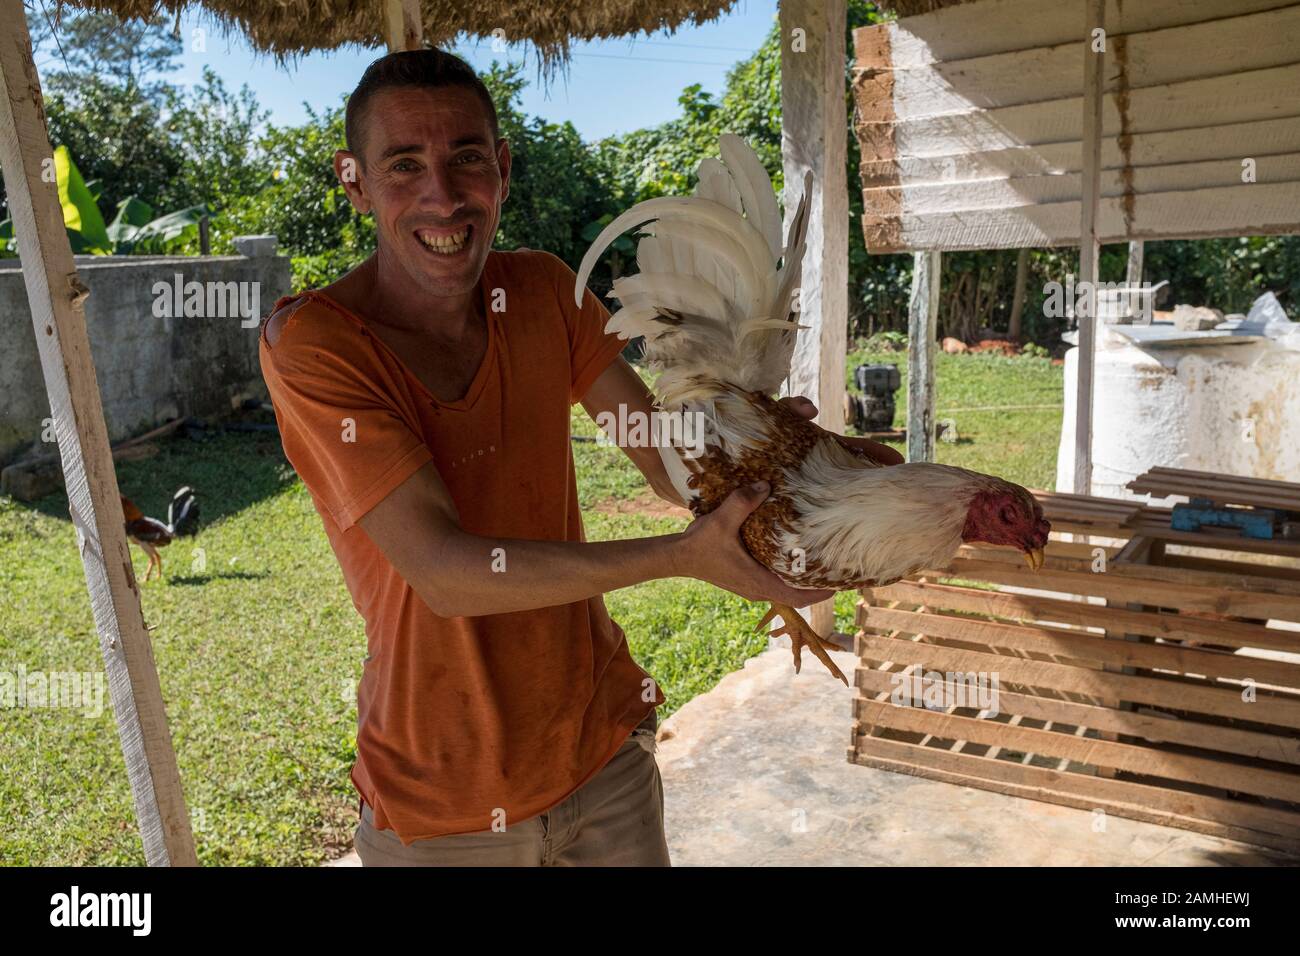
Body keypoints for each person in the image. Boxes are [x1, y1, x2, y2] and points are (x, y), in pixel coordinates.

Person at [259, 48, 902, 867]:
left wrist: (760, 449)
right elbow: (445, 574)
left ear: (502, 166)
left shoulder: (538, 292)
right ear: (354, 185)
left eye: (466, 158)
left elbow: (661, 454)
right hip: (444, 796)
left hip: (600, 756)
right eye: (403, 165)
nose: (443, 196)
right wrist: (681, 558)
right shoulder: (315, 343)